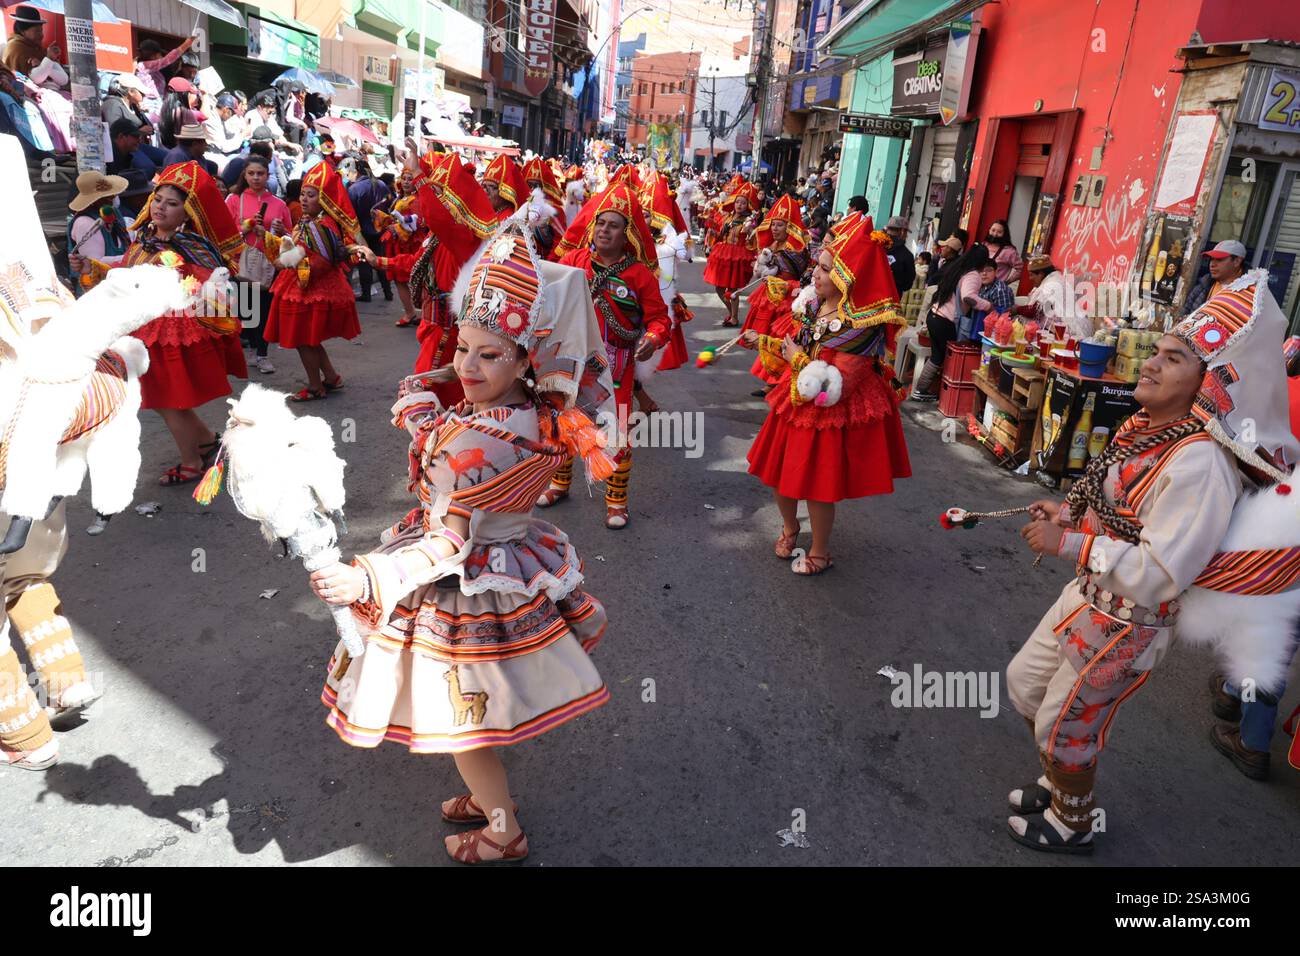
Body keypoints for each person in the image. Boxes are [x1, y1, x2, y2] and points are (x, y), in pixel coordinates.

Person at [311, 215, 616, 864]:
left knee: (461, 725)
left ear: (522, 357)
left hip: (462, 583)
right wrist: (452, 387)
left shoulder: (471, 442)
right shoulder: (544, 411)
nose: (467, 366)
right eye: (462, 348)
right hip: (511, 559)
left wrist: (368, 577)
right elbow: (472, 408)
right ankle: (491, 801)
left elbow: (447, 542)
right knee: (479, 713)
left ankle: (504, 832)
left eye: (488, 354)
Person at [1004, 269, 1298, 853]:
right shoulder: (1146, 427)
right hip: (1090, 596)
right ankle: (1059, 781)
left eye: (1173, 360)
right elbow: (1119, 509)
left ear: (1207, 385)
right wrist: (1070, 516)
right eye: (1156, 352)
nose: (1151, 363)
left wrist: (1071, 546)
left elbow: (1165, 573)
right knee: (1026, 687)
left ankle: (1072, 821)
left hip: (1130, 624)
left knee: (1066, 726)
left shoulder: (1199, 465)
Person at [741, 213, 912, 575]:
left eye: (824, 269)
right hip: (794, 401)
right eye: (817, 266)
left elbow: (838, 383)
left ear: (848, 277)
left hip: (827, 410)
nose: (815, 275)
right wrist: (768, 342)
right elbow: (802, 346)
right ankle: (790, 527)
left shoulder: (863, 326)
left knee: (819, 488)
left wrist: (795, 357)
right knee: (778, 476)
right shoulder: (816, 305)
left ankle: (820, 551)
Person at [70, 161, 247, 486]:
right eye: (158, 199)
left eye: (172, 203)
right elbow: (124, 272)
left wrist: (181, 282)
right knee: (167, 401)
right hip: (144, 332)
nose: (161, 207)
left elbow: (211, 290)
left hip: (170, 335)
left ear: (187, 212)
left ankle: (192, 462)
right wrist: (91, 267)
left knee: (167, 402)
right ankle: (207, 442)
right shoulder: (145, 240)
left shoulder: (191, 249)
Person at [546, 182, 670, 529]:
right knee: (563, 425)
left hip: (616, 365)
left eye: (613, 225)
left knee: (615, 434)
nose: (604, 230)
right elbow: (547, 294)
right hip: (569, 361)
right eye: (600, 223)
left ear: (626, 233)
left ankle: (616, 503)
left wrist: (652, 337)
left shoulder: (639, 274)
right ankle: (559, 483)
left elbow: (660, 318)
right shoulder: (574, 261)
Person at [262, 161, 360, 401]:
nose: (304, 199)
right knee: (309, 340)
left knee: (304, 340)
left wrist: (287, 260)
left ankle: (316, 386)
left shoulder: (323, 224)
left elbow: (321, 260)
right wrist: (282, 233)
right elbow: (300, 246)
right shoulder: (309, 220)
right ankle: (331, 376)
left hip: (310, 287)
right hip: (300, 284)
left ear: (324, 199)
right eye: (303, 194)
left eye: (311, 195)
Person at [226, 153, 292, 375]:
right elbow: (223, 234)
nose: (256, 178)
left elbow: (291, 237)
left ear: (268, 175)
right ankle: (254, 348)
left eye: (260, 173)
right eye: (251, 173)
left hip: (269, 264)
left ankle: (262, 354)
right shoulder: (234, 200)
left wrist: (281, 233)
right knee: (247, 310)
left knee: (264, 310)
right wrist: (242, 230)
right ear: (244, 175)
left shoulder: (279, 204)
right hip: (242, 262)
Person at [742, 194, 810, 396]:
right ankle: (771, 381)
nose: (774, 229)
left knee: (779, 339)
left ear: (789, 227)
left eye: (780, 225)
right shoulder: (771, 247)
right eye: (773, 224)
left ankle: (774, 383)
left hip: (786, 298)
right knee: (767, 338)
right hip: (768, 296)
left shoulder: (795, 249)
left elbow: (803, 273)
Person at [912, 243, 990, 401]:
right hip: (945, 321)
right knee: (947, 358)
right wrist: (987, 305)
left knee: (937, 356)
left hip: (934, 316)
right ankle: (931, 391)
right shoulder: (973, 275)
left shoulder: (957, 268)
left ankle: (920, 390)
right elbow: (968, 296)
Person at [703, 181, 759, 326]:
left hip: (738, 255)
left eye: (743, 203)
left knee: (733, 290)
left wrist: (749, 230)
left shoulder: (748, 220)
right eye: (737, 202)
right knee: (719, 288)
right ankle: (731, 313)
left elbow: (752, 239)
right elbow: (720, 235)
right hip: (724, 254)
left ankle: (734, 318)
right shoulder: (727, 218)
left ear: (748, 205)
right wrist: (712, 227)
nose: (739, 205)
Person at [376, 168, 426, 327]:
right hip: (398, 243)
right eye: (404, 178)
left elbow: (417, 223)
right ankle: (410, 313)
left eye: (409, 178)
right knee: (399, 279)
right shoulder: (400, 198)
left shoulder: (417, 200)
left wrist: (395, 228)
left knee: (418, 279)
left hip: (411, 245)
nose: (405, 181)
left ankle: (425, 314)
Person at [345, 157, 393, 303]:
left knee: (364, 260)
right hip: (380, 230)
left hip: (362, 230)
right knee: (380, 260)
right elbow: (390, 204)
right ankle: (388, 292)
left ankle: (366, 293)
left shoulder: (354, 189)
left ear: (357, 171)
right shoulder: (381, 184)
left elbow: (349, 212)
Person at [1182, 239, 1248, 316]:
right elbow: (1184, 314)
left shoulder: (1248, 294)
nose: (1212, 264)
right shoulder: (1203, 285)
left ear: (1236, 261)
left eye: (1219, 259)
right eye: (1211, 259)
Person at [2, 5, 54, 76]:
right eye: (37, 31)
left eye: (41, 31)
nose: (41, 35)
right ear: (23, 31)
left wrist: (52, 56)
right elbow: (35, 77)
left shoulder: (33, 45)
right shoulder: (17, 48)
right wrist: (49, 59)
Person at [204, 92, 245, 173]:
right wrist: (243, 135)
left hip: (216, 154)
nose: (232, 116)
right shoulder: (212, 119)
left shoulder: (218, 117)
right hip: (209, 154)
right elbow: (225, 147)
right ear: (226, 109)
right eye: (232, 113)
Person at [983, 219, 1022, 285]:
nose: (995, 234)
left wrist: (1007, 282)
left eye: (999, 232)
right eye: (993, 230)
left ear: (1004, 234)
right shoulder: (984, 245)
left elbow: (1021, 269)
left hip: (995, 290)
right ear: (989, 230)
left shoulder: (1009, 251)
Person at [884, 215, 915, 296]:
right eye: (906, 233)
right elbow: (907, 285)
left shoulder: (874, 245)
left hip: (865, 302)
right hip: (890, 302)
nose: (906, 236)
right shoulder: (907, 256)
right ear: (902, 232)